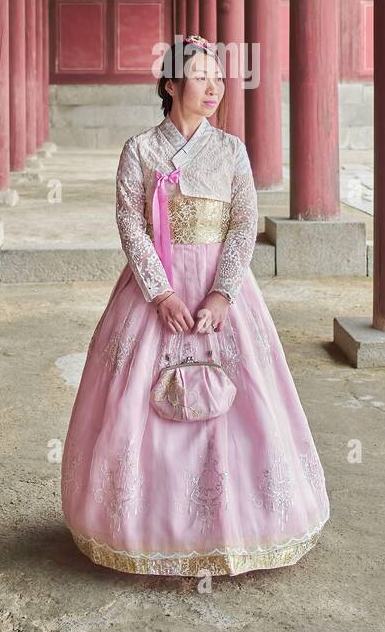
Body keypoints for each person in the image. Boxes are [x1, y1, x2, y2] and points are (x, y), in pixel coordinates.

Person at [61, 33, 330, 576]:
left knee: (242, 401)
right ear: (170, 84)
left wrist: (223, 293)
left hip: (220, 290)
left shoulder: (231, 150)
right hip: (154, 288)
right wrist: (159, 293)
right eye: (202, 76)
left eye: (218, 77)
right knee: (134, 400)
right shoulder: (141, 150)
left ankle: (233, 529)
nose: (215, 86)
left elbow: (244, 224)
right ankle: (145, 529)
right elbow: (131, 225)